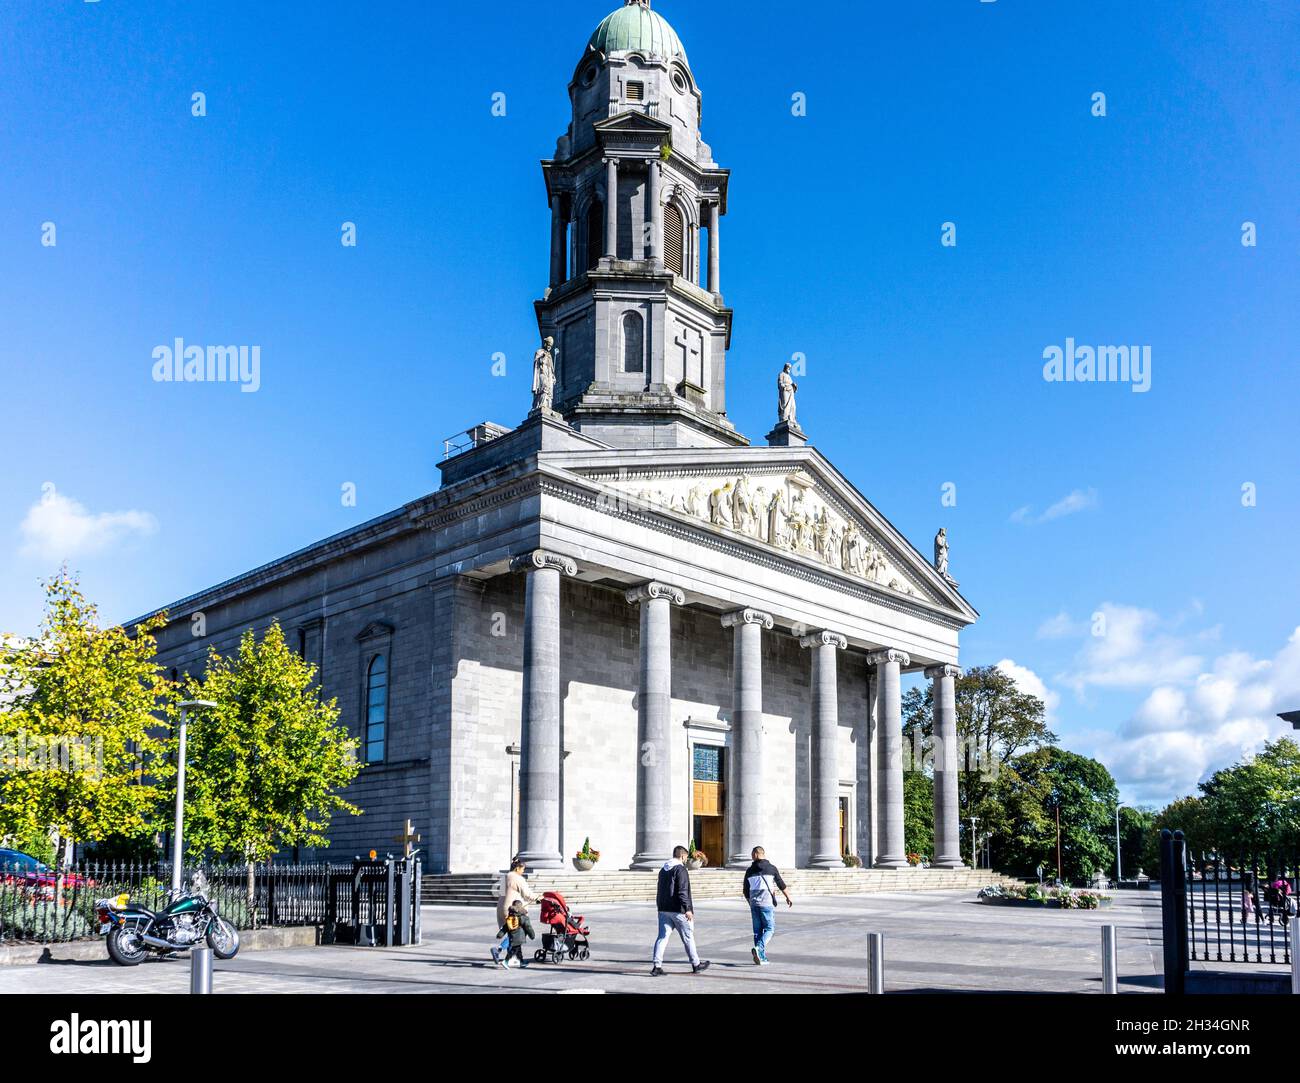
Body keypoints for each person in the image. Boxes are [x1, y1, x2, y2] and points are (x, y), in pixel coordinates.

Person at [651, 845, 710, 976]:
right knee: (688, 937)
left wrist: (660, 907)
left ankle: (657, 966)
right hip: (678, 910)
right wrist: (687, 909)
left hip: (663, 909)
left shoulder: (663, 869)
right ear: (682, 856)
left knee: (662, 937)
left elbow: (660, 890)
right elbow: (682, 890)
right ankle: (696, 964)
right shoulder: (680, 869)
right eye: (685, 857)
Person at [741, 845, 792, 965]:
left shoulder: (749, 871)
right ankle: (759, 949)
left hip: (754, 904)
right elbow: (781, 884)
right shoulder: (771, 868)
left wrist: (750, 902)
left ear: (756, 854)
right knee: (770, 929)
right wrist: (788, 897)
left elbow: (745, 890)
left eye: (752, 855)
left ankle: (761, 957)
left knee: (757, 931)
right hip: (766, 904)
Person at [495, 900, 535, 968]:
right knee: (514, 950)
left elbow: (505, 927)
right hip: (519, 937)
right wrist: (532, 935)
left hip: (511, 936)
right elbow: (528, 927)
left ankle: (521, 962)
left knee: (518, 950)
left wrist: (500, 934)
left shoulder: (510, 917)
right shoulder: (523, 917)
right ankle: (506, 961)